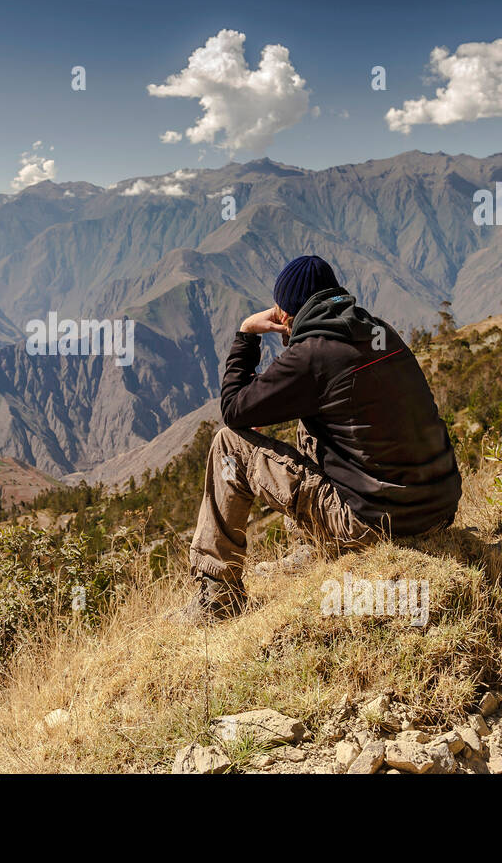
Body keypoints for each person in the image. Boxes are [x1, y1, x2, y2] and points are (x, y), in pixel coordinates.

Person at [175, 254, 462, 622]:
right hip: (437, 509)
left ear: (285, 315)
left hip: (372, 524)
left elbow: (234, 410)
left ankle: (216, 597)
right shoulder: (379, 331)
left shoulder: (312, 357)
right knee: (314, 421)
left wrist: (247, 333)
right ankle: (310, 547)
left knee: (228, 444)